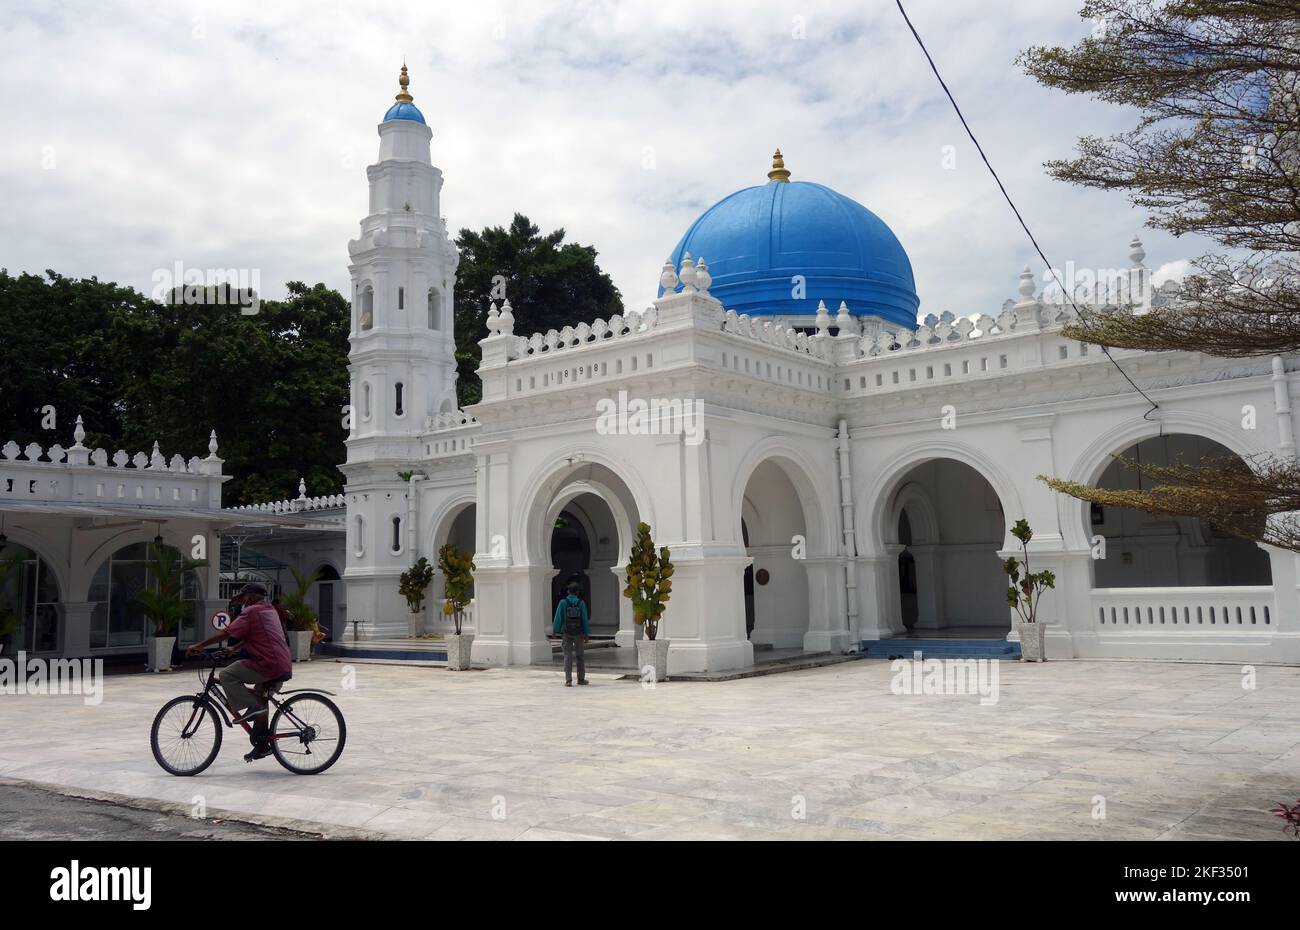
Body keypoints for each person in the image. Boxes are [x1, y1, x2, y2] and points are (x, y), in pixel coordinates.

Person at [186, 582, 293, 762]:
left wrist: (199, 645)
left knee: (227, 675)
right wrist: (235, 649)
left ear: (250, 596)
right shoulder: (269, 610)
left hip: (268, 664)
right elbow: (258, 634)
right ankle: (262, 746)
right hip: (282, 664)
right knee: (260, 698)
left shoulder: (251, 612)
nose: (242, 601)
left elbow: (228, 632)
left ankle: (254, 708)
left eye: (244, 597)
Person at [551, 581, 590, 687]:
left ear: (568, 591)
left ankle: (568, 680)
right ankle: (581, 679)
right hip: (579, 633)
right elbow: (584, 619)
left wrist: (555, 630)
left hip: (566, 633)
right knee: (580, 656)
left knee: (567, 656)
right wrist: (586, 634)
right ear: (577, 592)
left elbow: (558, 617)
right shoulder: (581, 603)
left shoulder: (563, 603)